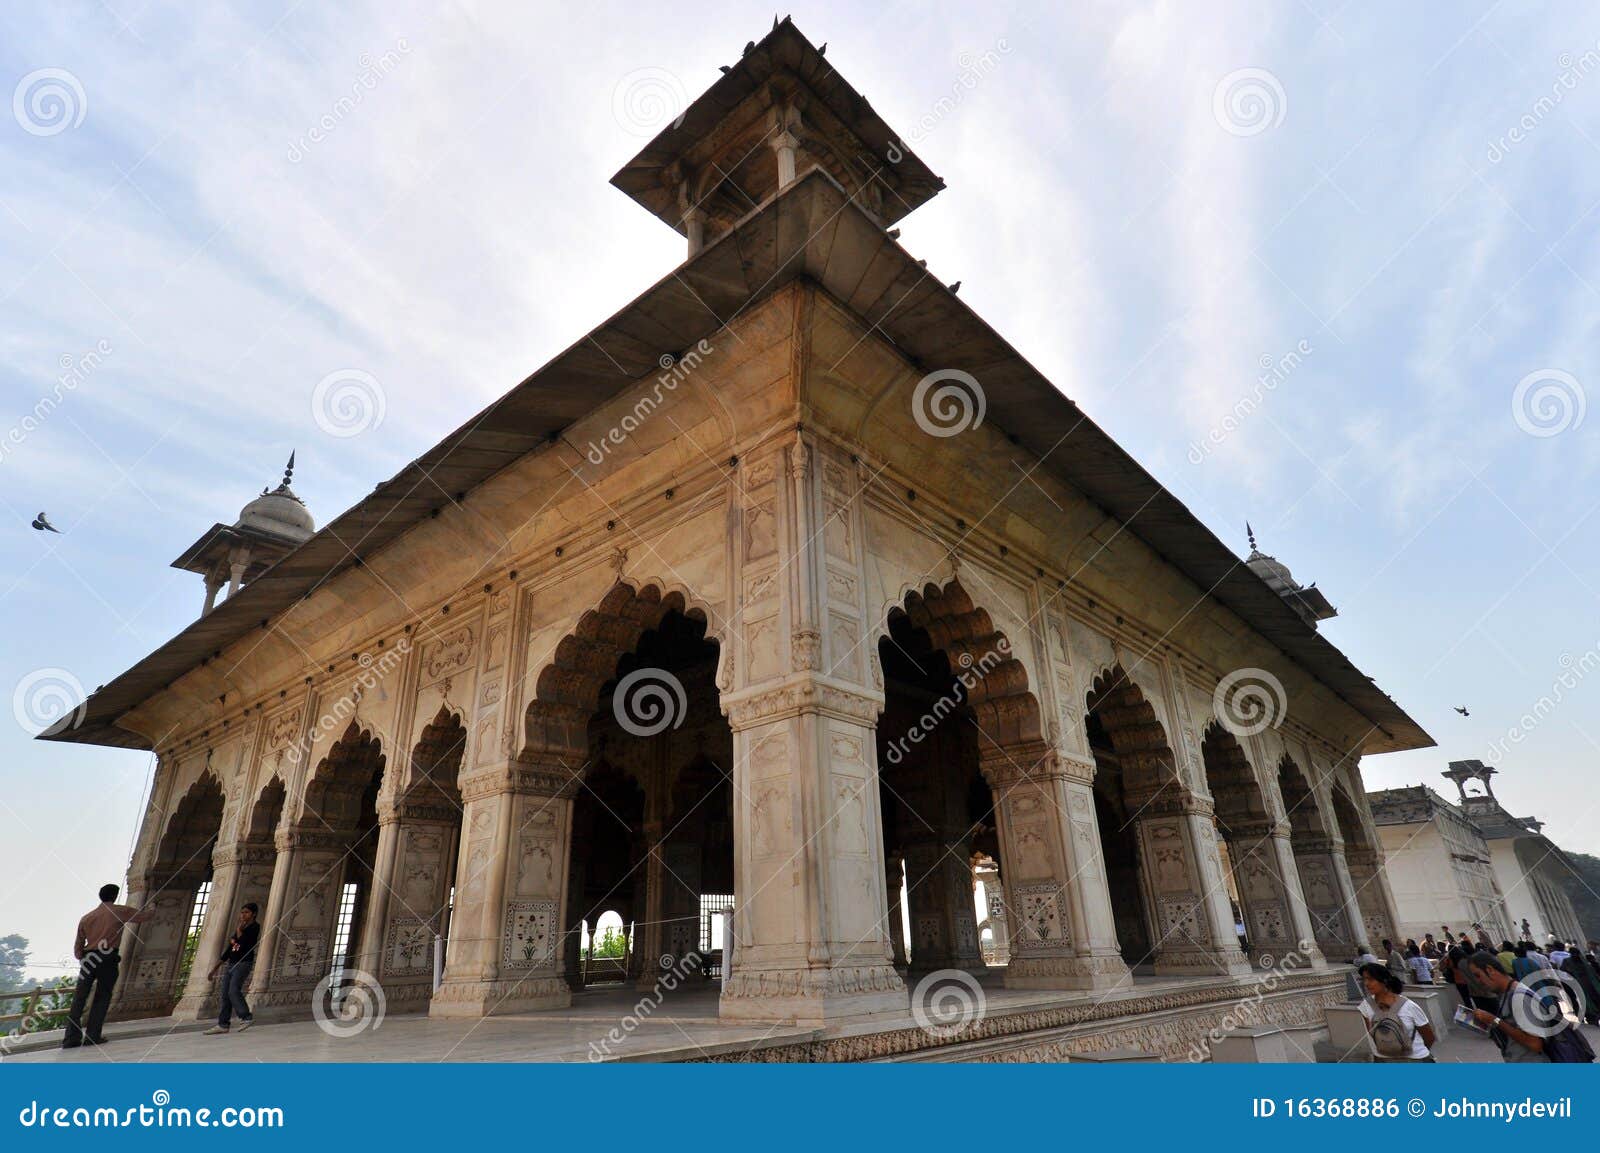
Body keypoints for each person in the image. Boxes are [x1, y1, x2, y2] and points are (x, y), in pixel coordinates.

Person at [62, 884, 151, 1049]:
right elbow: (142, 917)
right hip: (107, 958)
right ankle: (93, 1036)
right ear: (115, 895)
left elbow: (78, 947)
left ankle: (70, 1039)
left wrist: (83, 957)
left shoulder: (87, 917)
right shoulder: (118, 911)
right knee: (102, 997)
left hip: (89, 958)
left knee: (79, 998)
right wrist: (152, 907)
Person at [1461, 950, 1549, 1062]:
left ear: (1489, 970)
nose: (1478, 981)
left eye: (1478, 975)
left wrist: (1495, 1020)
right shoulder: (1506, 994)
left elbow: (1535, 1044)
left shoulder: (1519, 997)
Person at [1357, 962, 1436, 1062]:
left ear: (1384, 980)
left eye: (1371, 979)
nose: (1366, 983)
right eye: (1364, 979)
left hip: (1415, 1058)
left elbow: (1429, 1037)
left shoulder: (1409, 1006)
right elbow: (1373, 1035)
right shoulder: (1365, 1006)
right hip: (1384, 1058)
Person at [203, 903, 260, 1035]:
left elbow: (244, 944)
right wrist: (215, 968)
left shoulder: (254, 928)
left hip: (243, 963)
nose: (243, 915)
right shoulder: (241, 929)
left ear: (253, 914)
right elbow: (230, 949)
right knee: (224, 995)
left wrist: (239, 931)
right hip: (231, 964)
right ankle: (223, 1024)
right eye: (242, 912)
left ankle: (246, 1017)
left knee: (233, 990)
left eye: (246, 912)